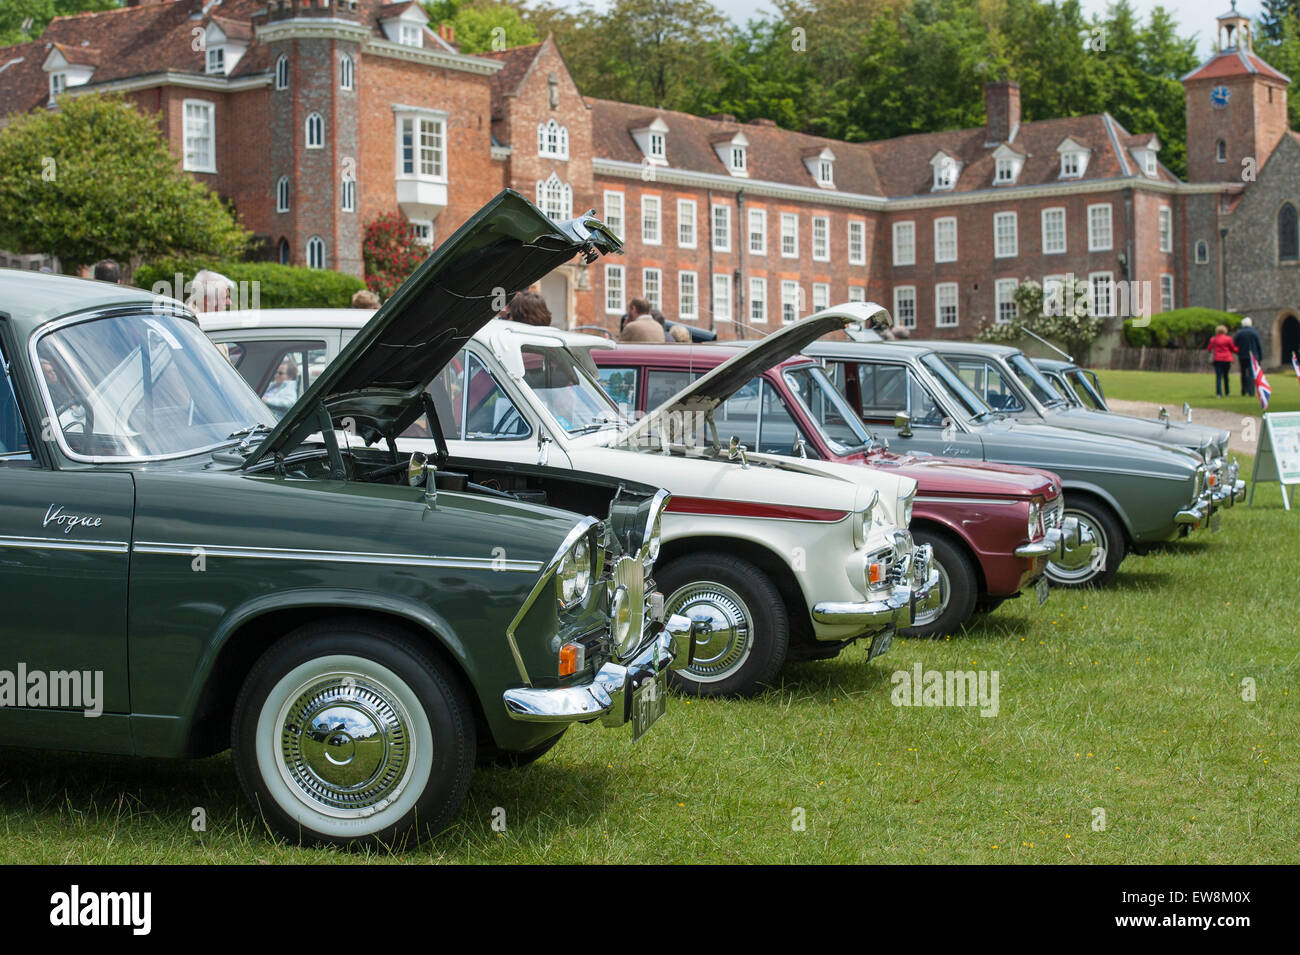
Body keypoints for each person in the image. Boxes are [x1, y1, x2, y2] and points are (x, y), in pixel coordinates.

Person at [1233, 317, 1263, 396]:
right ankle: (1251, 391)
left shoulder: (1239, 333)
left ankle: (1244, 390)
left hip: (1242, 356)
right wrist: (1260, 357)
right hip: (1253, 356)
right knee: (1251, 374)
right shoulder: (1254, 333)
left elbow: (1234, 344)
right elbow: (1259, 345)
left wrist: (1238, 352)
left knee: (1243, 373)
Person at [1206, 324, 1238, 397]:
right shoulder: (1228, 339)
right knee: (1226, 376)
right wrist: (1238, 350)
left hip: (1217, 359)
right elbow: (1233, 348)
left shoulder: (1213, 339)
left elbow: (1209, 349)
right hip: (1227, 359)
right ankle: (1227, 392)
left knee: (1218, 376)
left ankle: (1219, 393)